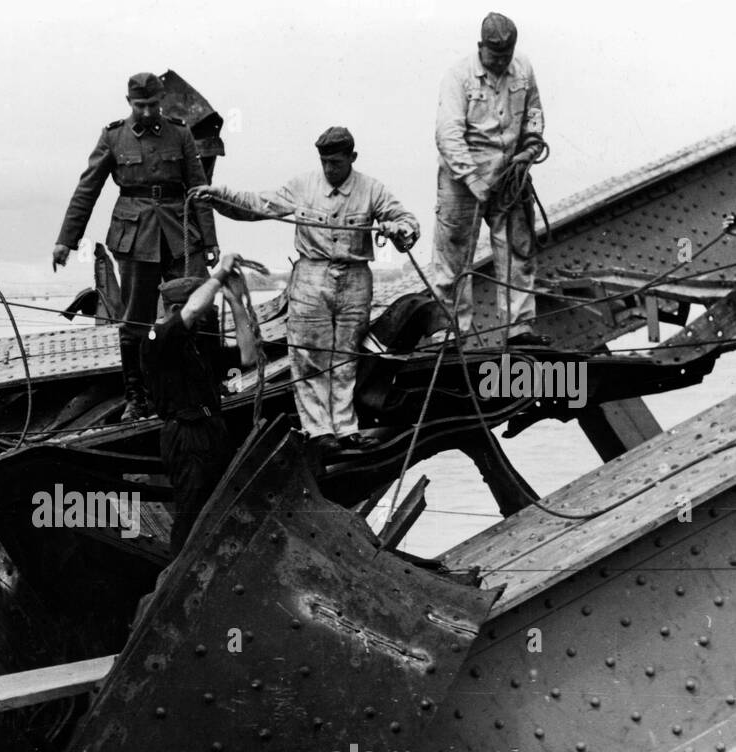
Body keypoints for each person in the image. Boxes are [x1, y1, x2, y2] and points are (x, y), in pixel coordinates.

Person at [193, 127, 418, 447]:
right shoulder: (303, 187)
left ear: (352, 158)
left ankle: (346, 428)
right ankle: (319, 431)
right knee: (309, 355)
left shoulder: (372, 190)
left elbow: (405, 221)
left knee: (345, 355)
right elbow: (258, 205)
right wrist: (217, 196)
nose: (329, 169)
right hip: (312, 274)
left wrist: (398, 228)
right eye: (324, 162)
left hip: (354, 276)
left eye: (336, 163)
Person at [53, 72, 219, 422]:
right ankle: (137, 398)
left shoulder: (180, 132)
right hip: (134, 236)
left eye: (153, 105)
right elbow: (88, 189)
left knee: (200, 309)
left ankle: (208, 388)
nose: (146, 112)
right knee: (135, 320)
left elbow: (199, 187)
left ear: (162, 102)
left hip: (180, 234)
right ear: (129, 103)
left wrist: (210, 240)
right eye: (140, 105)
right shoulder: (113, 136)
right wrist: (67, 241)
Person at [431, 11, 547, 347]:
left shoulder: (523, 68)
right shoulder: (458, 76)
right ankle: (451, 332)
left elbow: (535, 114)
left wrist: (530, 147)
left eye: (506, 56)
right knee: (453, 257)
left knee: (518, 251)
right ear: (481, 47)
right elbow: (447, 133)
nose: (501, 62)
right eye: (495, 56)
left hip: (510, 173)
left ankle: (519, 327)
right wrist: (472, 179)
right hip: (462, 177)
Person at [140, 252, 254, 555]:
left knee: (224, 504)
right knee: (191, 511)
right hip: (185, 434)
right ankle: (176, 576)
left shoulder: (197, 346)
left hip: (212, 430)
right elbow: (192, 310)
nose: (206, 316)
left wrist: (236, 303)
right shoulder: (157, 338)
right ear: (176, 308)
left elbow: (248, 356)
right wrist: (217, 276)